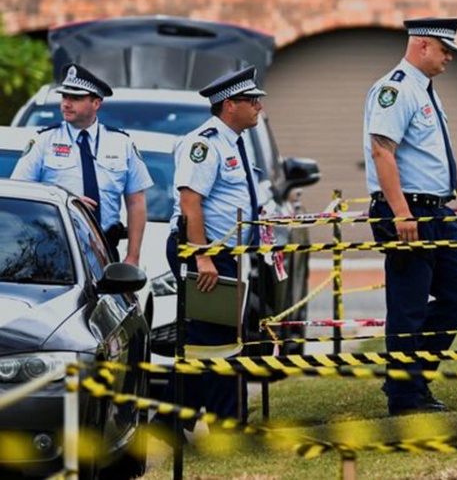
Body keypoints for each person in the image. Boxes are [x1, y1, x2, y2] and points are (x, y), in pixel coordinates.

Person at [363, 17, 457, 416]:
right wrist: (401, 213)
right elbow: (382, 152)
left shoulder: (423, 90)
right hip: (410, 211)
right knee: (408, 306)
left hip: (436, 212)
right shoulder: (395, 89)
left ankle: (409, 375)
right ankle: (406, 398)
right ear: (423, 45)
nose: (448, 58)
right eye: (444, 50)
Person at [161, 65, 267, 428]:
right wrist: (202, 257)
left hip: (225, 254)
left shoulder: (233, 143)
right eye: (251, 100)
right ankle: (228, 424)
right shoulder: (204, 143)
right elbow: (190, 202)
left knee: (206, 339)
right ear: (228, 105)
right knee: (218, 342)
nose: (258, 106)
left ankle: (170, 421)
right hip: (204, 252)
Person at [12, 63, 152, 265]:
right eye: (64, 97)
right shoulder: (45, 140)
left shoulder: (121, 142)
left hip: (105, 250)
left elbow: (136, 201)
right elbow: (21, 192)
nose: (66, 104)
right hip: (54, 249)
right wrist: (65, 200)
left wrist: (133, 256)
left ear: (96, 103)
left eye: (75, 98)